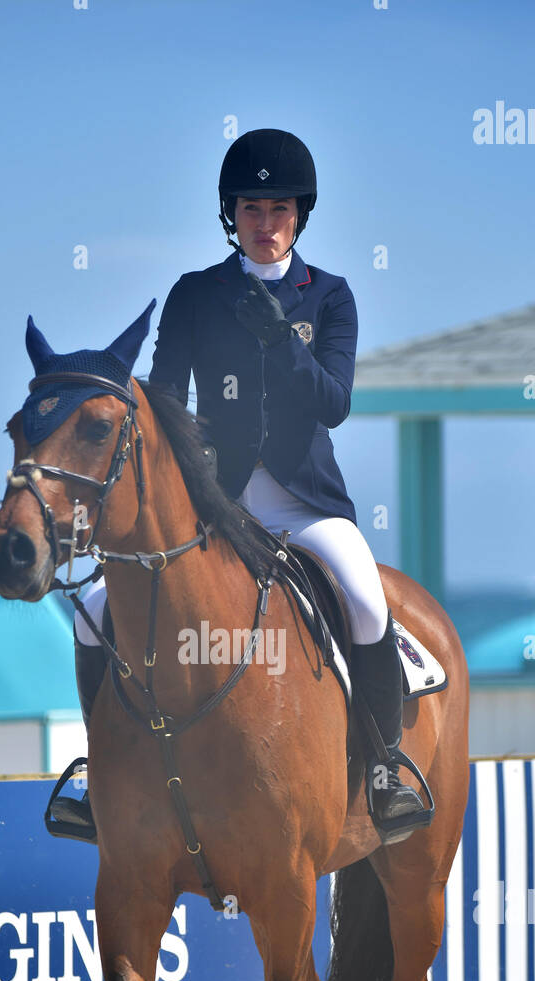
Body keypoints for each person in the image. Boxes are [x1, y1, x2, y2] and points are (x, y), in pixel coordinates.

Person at [59, 128, 430, 845]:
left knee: (363, 598)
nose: (266, 223)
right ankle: (92, 770)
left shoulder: (330, 297)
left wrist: (280, 342)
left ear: (300, 215)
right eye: (252, 209)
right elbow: (164, 400)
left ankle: (384, 769)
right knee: (93, 610)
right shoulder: (197, 295)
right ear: (231, 215)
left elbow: (334, 403)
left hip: (305, 506)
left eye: (279, 208)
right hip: (216, 506)